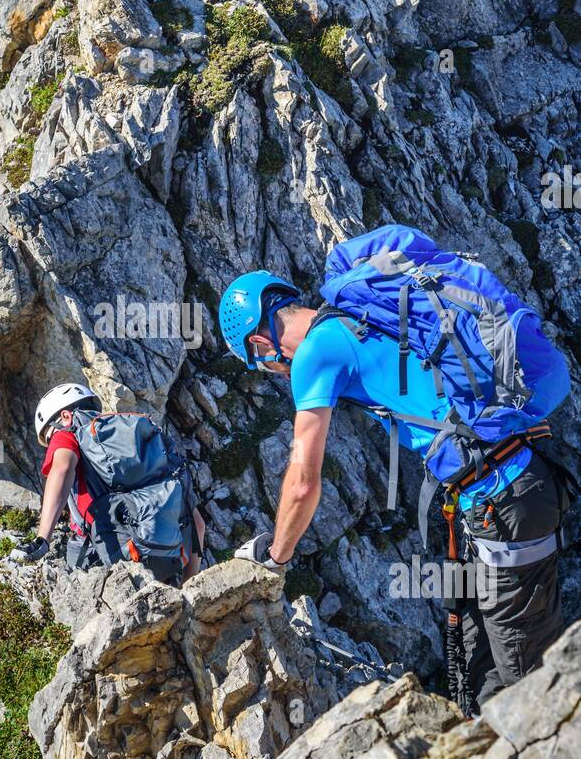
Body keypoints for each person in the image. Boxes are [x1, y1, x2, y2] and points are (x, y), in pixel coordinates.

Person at [218, 244, 573, 712]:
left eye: (262, 364)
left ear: (262, 345)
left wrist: (275, 560)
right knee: (479, 669)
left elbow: (303, 480)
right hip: (506, 495)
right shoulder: (367, 316)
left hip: (501, 502)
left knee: (529, 680)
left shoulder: (314, 356)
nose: (273, 371)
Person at [11, 382, 205, 583]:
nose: (51, 444)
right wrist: (189, 585)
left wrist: (42, 538)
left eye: (49, 437)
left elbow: (62, 469)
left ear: (66, 417)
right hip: (166, 559)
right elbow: (197, 523)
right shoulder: (143, 438)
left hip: (104, 552)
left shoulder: (67, 433)